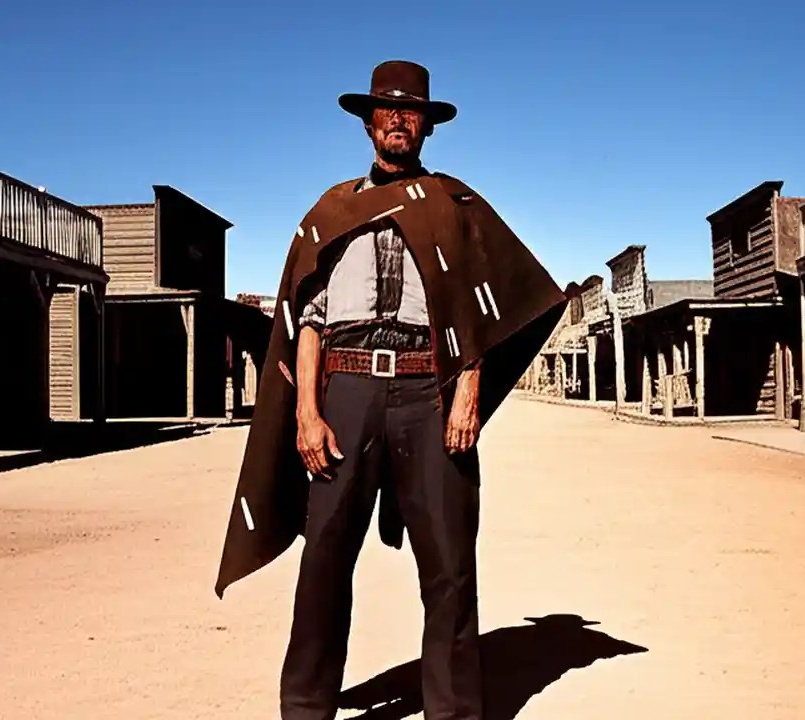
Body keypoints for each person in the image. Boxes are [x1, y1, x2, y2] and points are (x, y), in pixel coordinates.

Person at [214, 60, 567, 720]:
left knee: (450, 567)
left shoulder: (454, 207)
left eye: (412, 111)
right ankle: (305, 709)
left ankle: (454, 713)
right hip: (345, 391)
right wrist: (306, 414)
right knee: (323, 561)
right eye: (388, 109)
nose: (399, 119)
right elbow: (309, 319)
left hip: (427, 395)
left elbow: (477, 313)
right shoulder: (331, 210)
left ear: (427, 126)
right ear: (369, 121)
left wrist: (468, 393)